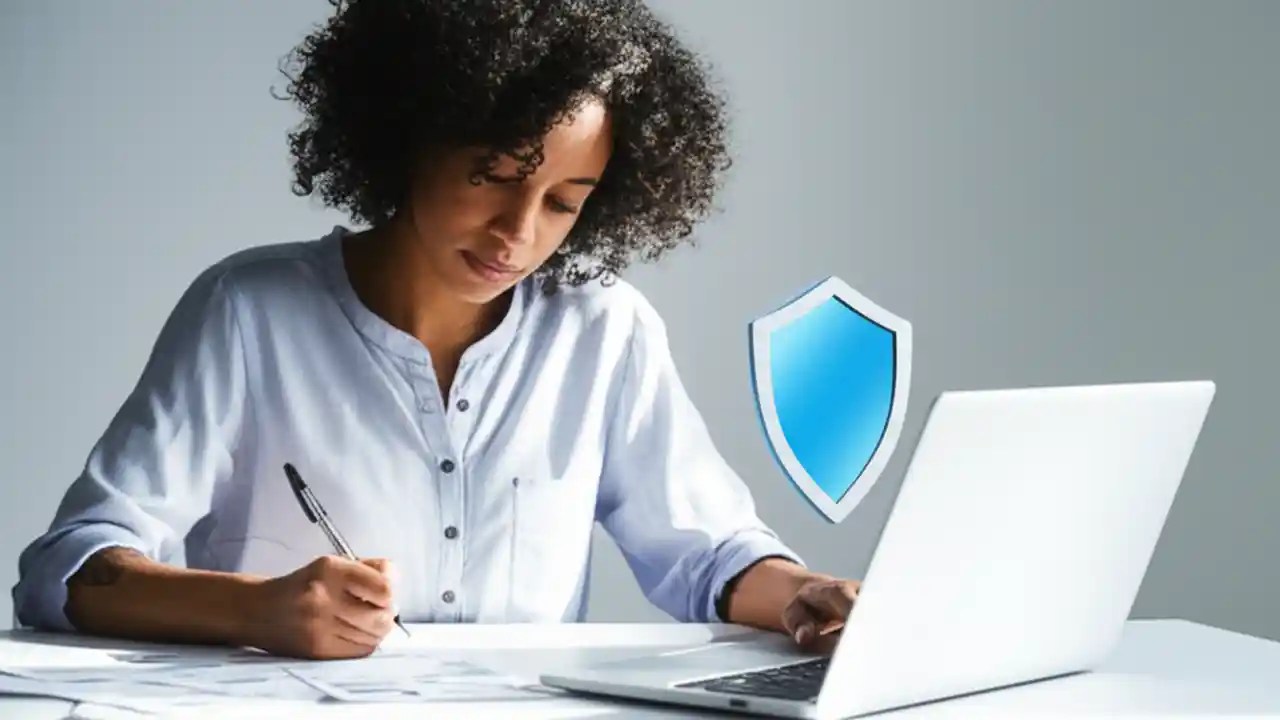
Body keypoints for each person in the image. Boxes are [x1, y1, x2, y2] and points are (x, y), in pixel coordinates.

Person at [13, 0, 860, 660]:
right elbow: (68, 569)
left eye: (563, 204)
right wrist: (257, 610)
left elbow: (707, 554)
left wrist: (802, 593)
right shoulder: (248, 310)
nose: (518, 233)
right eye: (492, 177)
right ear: (410, 140)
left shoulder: (605, 330)